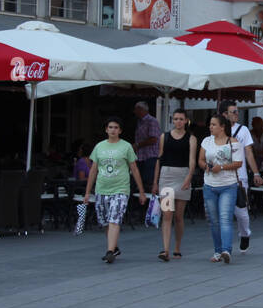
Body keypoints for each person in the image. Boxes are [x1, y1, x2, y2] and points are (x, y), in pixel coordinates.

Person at [84, 117, 149, 264]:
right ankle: (114, 247)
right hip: (101, 189)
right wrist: (88, 192)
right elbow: (93, 170)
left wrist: (141, 191)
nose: (113, 130)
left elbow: (134, 169)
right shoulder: (99, 147)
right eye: (110, 127)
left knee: (114, 219)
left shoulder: (126, 147)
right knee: (105, 222)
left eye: (116, 127)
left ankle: (109, 251)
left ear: (120, 130)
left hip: (120, 189)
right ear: (106, 129)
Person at [199, 111, 244, 263]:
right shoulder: (206, 141)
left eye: (213, 124)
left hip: (227, 185)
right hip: (209, 184)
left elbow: (239, 163)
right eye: (210, 124)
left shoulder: (233, 142)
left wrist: (222, 168)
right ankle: (217, 251)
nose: (210, 127)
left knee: (225, 218)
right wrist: (206, 165)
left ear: (222, 127)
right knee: (213, 220)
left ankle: (226, 250)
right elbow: (200, 159)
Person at [153, 109, 196, 262]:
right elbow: (160, 158)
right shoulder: (164, 136)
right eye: (176, 119)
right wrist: (155, 181)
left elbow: (192, 160)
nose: (178, 121)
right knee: (167, 214)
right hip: (166, 176)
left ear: (186, 121)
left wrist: (189, 178)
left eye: (181, 119)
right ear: (173, 120)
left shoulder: (191, 138)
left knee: (178, 216)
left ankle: (177, 246)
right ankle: (165, 249)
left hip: (183, 174)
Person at [225, 103, 263, 253]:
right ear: (225, 114)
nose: (236, 114)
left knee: (241, 212)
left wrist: (255, 173)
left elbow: (248, 153)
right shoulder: (218, 130)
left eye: (237, 111)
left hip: (239, 176)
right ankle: (225, 247)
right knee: (224, 212)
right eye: (233, 112)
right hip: (222, 176)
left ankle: (245, 233)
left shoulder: (243, 130)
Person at [132, 102, 161, 195]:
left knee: (149, 182)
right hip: (140, 157)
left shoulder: (152, 121)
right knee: (140, 181)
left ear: (142, 109)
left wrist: (138, 145)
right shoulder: (139, 122)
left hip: (150, 156)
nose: (134, 111)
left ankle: (151, 205)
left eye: (136, 109)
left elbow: (154, 139)